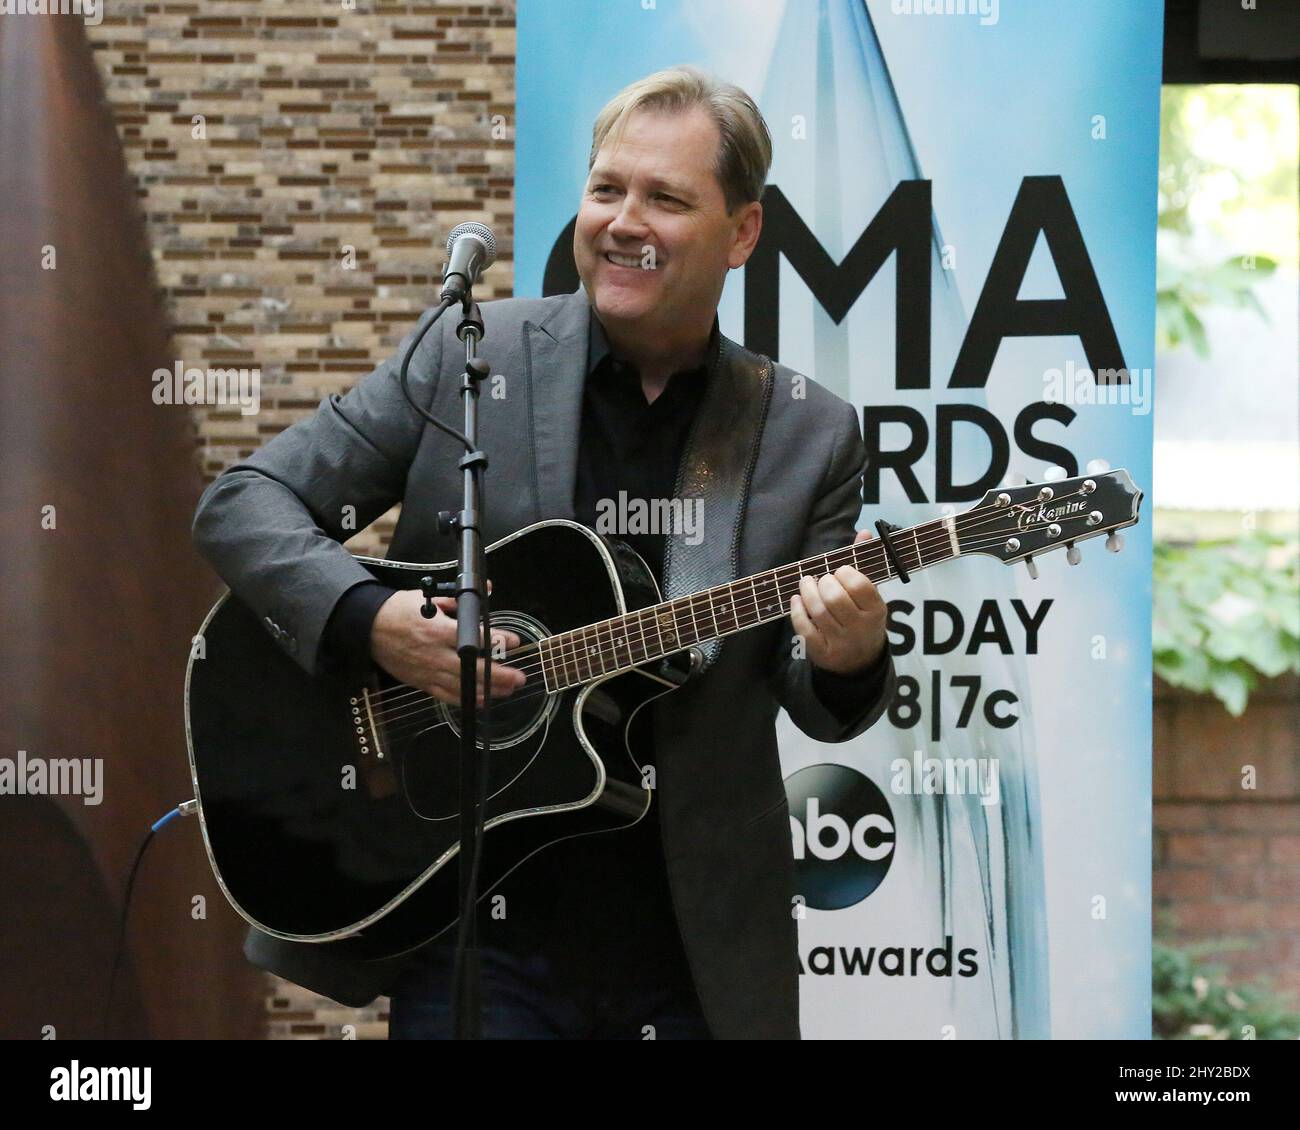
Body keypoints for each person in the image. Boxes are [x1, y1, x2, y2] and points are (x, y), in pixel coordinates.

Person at [192, 65, 896, 1041]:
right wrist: (372, 621)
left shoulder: (806, 433)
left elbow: (810, 694)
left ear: (741, 232)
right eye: (606, 189)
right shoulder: (472, 356)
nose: (622, 220)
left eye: (665, 198)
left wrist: (849, 650)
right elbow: (245, 502)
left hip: (687, 948)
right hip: (470, 922)